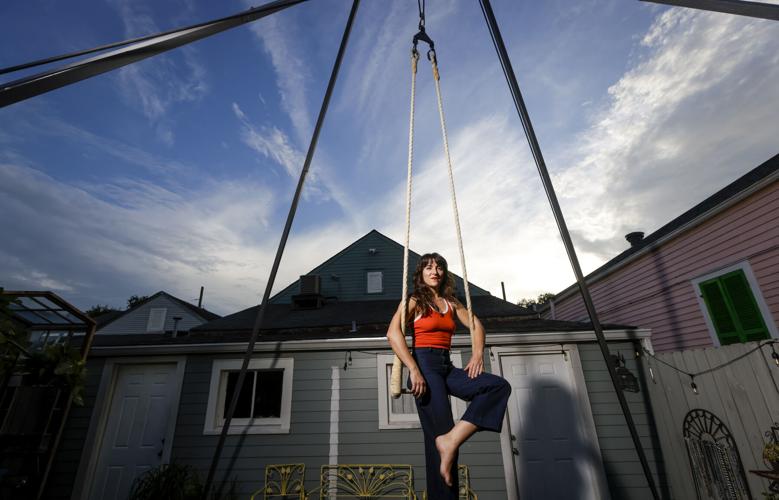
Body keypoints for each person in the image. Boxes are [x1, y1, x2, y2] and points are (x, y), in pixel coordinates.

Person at [387, 252, 511, 499]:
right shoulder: (414, 301)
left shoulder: (451, 303)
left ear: (444, 273)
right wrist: (413, 369)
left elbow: (477, 326)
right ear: (421, 273)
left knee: (497, 387)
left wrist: (477, 355)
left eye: (439, 268)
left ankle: (451, 439)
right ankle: (447, 446)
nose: (434, 272)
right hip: (424, 365)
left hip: (446, 366)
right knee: (440, 442)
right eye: (429, 268)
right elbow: (393, 334)